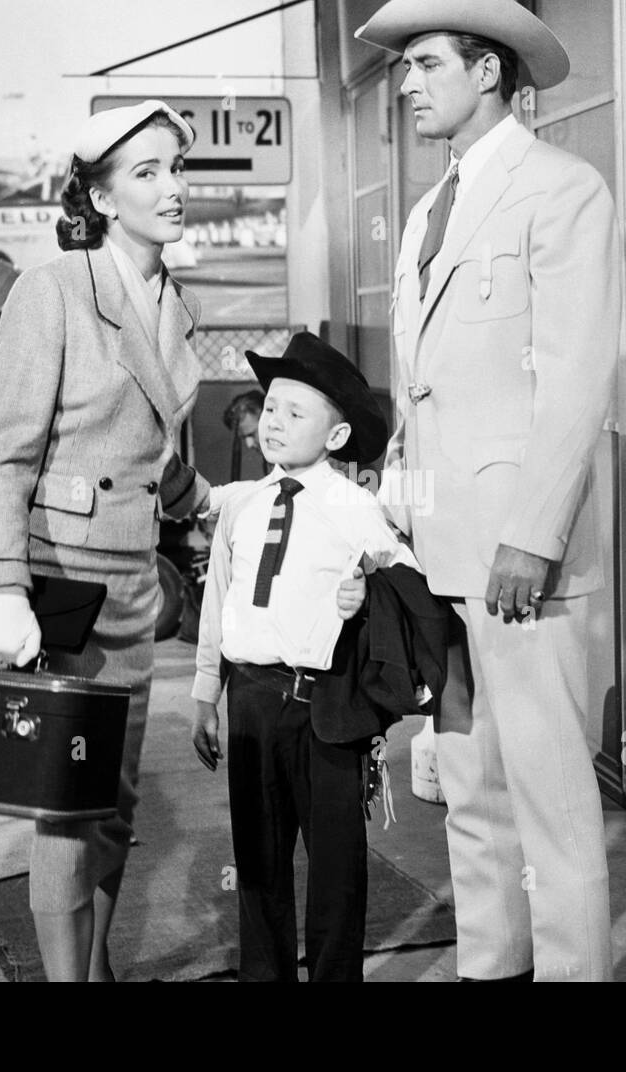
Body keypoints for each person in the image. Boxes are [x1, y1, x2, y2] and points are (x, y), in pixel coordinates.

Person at [355, 0, 623, 981]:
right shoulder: (431, 210)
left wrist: (535, 533)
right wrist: (395, 513)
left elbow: (575, 377)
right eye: (405, 68)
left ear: (489, 71)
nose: (409, 84)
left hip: (521, 556)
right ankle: (490, 967)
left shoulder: (560, 190)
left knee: (549, 799)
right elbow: (417, 388)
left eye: (426, 63)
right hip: (438, 550)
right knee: (467, 786)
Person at [0, 100, 214, 982]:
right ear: (102, 199)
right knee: (66, 810)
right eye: (146, 173)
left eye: (175, 169)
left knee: (112, 805)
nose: (172, 189)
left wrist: (208, 505)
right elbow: (3, 456)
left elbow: (153, 455)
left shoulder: (176, 305)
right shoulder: (54, 292)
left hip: (135, 592)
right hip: (61, 587)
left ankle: (95, 968)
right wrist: (4, 589)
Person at [190, 331, 420, 982]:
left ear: (338, 437)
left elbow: (408, 588)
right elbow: (219, 598)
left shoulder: (355, 509)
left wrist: (368, 594)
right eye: (271, 407)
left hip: (327, 709)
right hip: (252, 702)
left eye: (297, 412)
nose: (275, 422)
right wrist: (206, 691)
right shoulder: (242, 504)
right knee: (258, 861)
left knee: (336, 866)